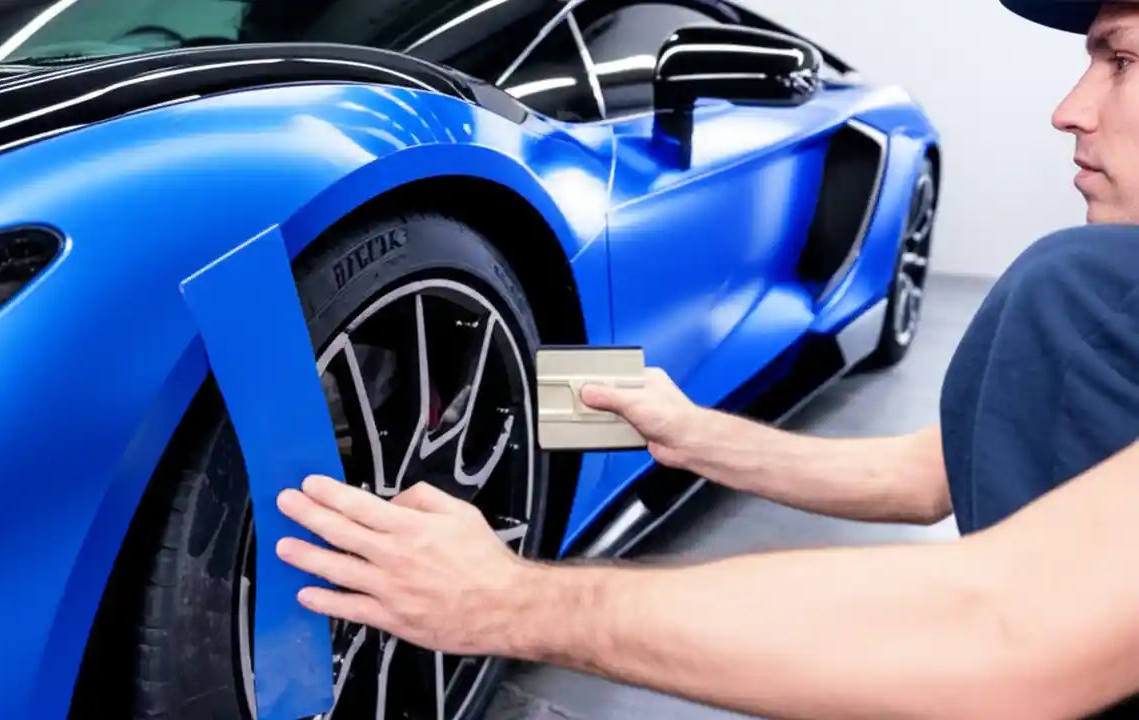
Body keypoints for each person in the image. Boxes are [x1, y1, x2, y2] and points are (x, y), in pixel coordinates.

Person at [275, 0, 1139, 717]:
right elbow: (926, 477)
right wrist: (690, 433)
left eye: (1123, 61)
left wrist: (507, 601)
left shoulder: (1084, 284)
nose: (1070, 107)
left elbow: (1008, 628)